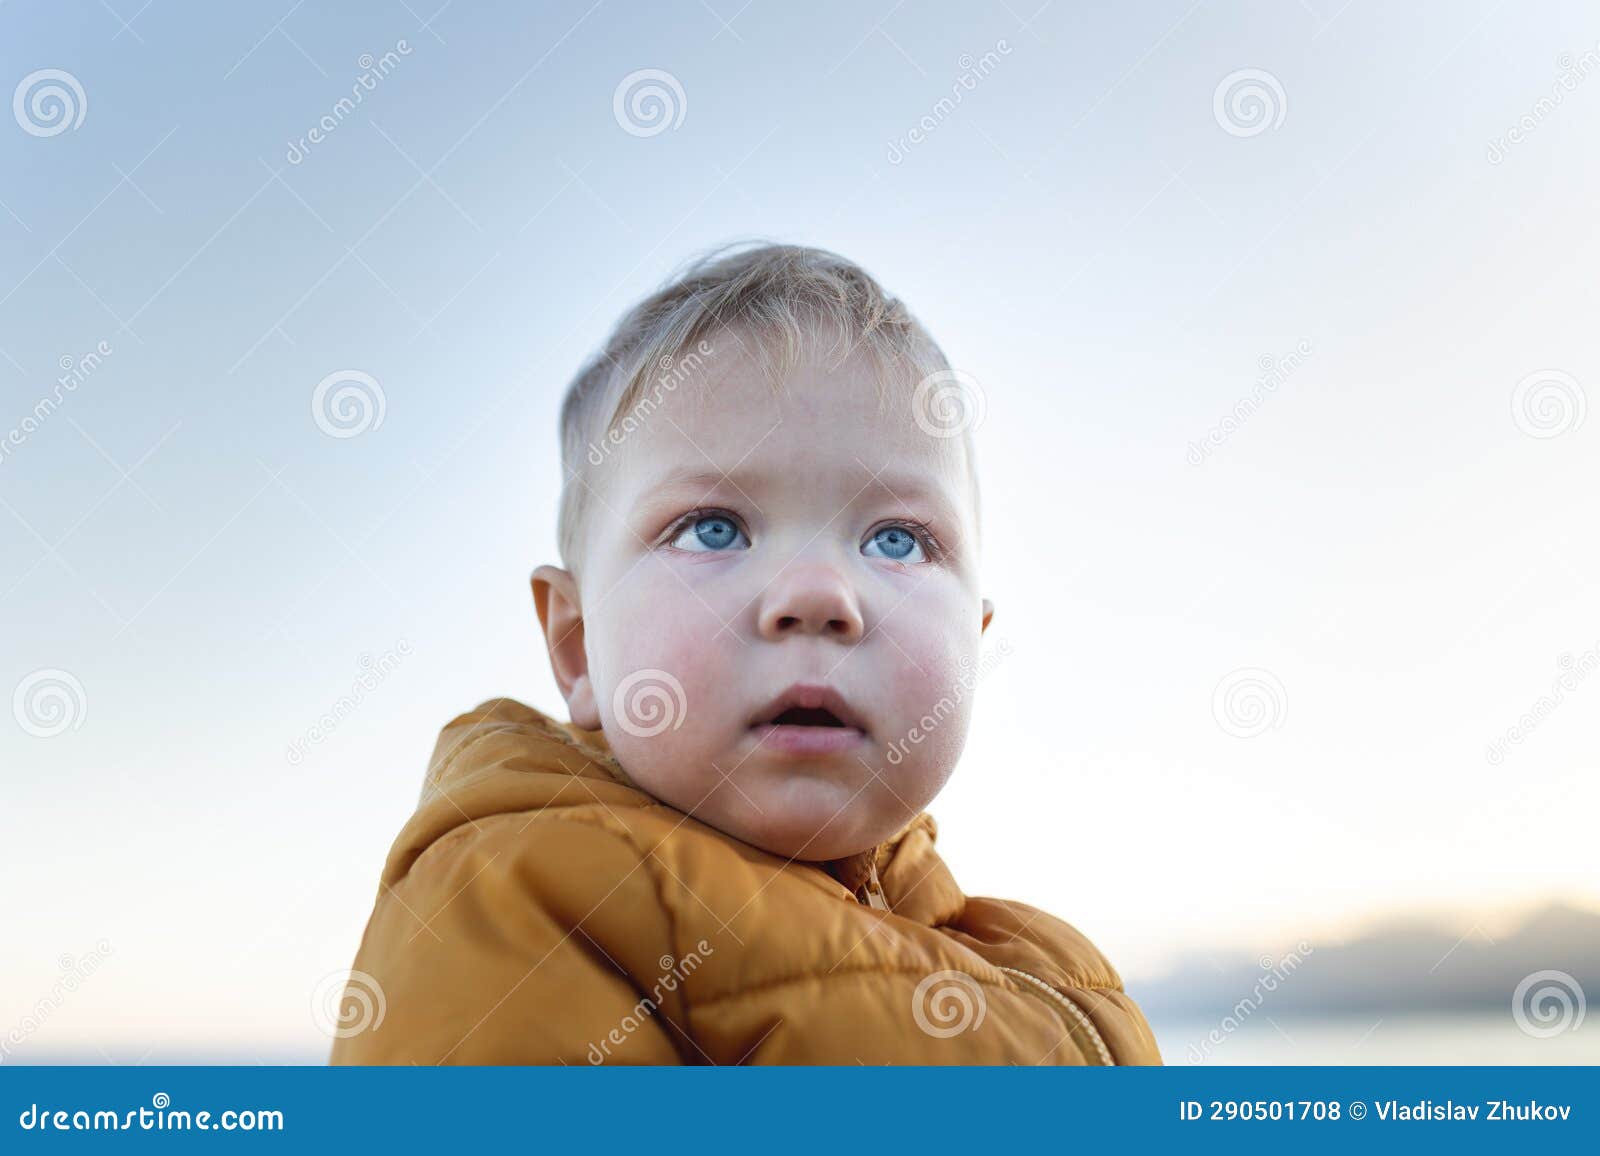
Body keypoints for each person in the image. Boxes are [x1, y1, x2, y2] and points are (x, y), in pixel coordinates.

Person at [330, 242, 1162, 1065]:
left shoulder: (1047, 971)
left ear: (974, 648)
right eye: (714, 529)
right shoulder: (523, 895)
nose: (818, 596)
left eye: (899, 541)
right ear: (578, 647)